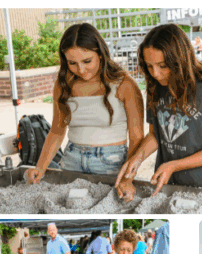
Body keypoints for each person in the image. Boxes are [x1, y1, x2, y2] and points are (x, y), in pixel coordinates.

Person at [115, 23, 202, 200]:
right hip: (168, 185)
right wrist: (137, 157)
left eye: (163, 66)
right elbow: (156, 134)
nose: (155, 73)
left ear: (180, 60)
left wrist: (174, 165)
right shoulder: (155, 86)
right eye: (149, 66)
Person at [24, 23, 144, 184]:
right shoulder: (63, 85)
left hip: (111, 162)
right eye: (72, 63)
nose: (81, 69)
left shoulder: (125, 84)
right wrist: (40, 168)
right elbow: (57, 131)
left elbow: (136, 137)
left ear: (100, 54)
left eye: (87, 61)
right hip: (71, 158)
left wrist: (127, 178)